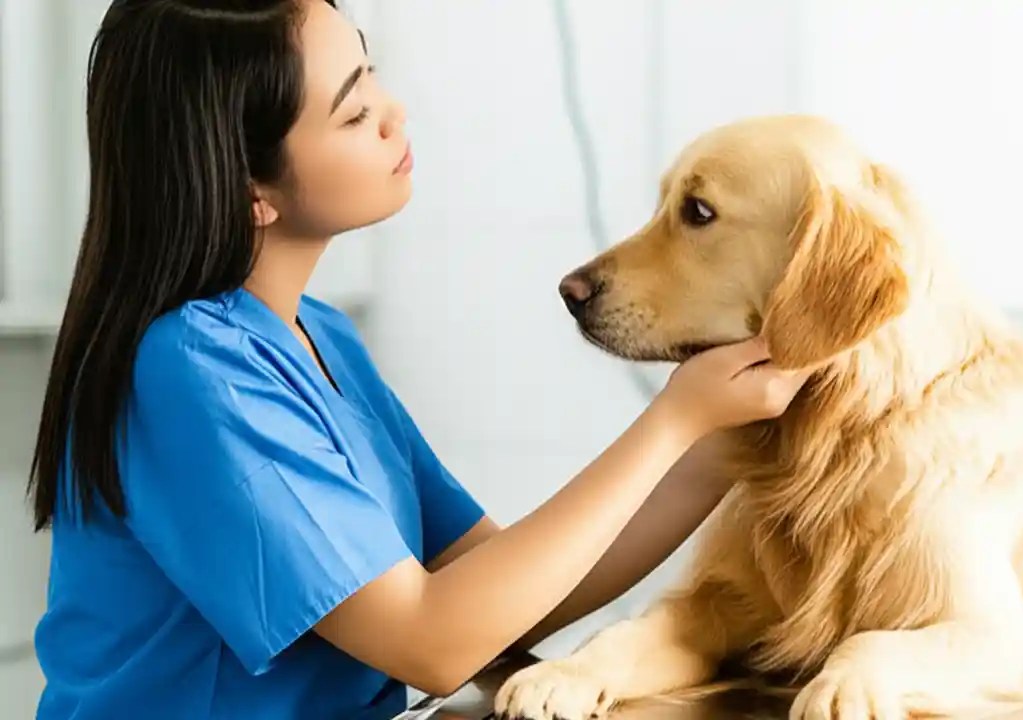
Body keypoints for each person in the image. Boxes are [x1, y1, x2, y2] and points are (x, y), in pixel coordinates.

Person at [25, 1, 812, 718]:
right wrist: (677, 418)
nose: (395, 113)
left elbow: (503, 598)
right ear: (248, 189)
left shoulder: (319, 338)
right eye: (356, 110)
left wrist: (716, 438)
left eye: (373, 77)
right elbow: (433, 644)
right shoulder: (190, 373)